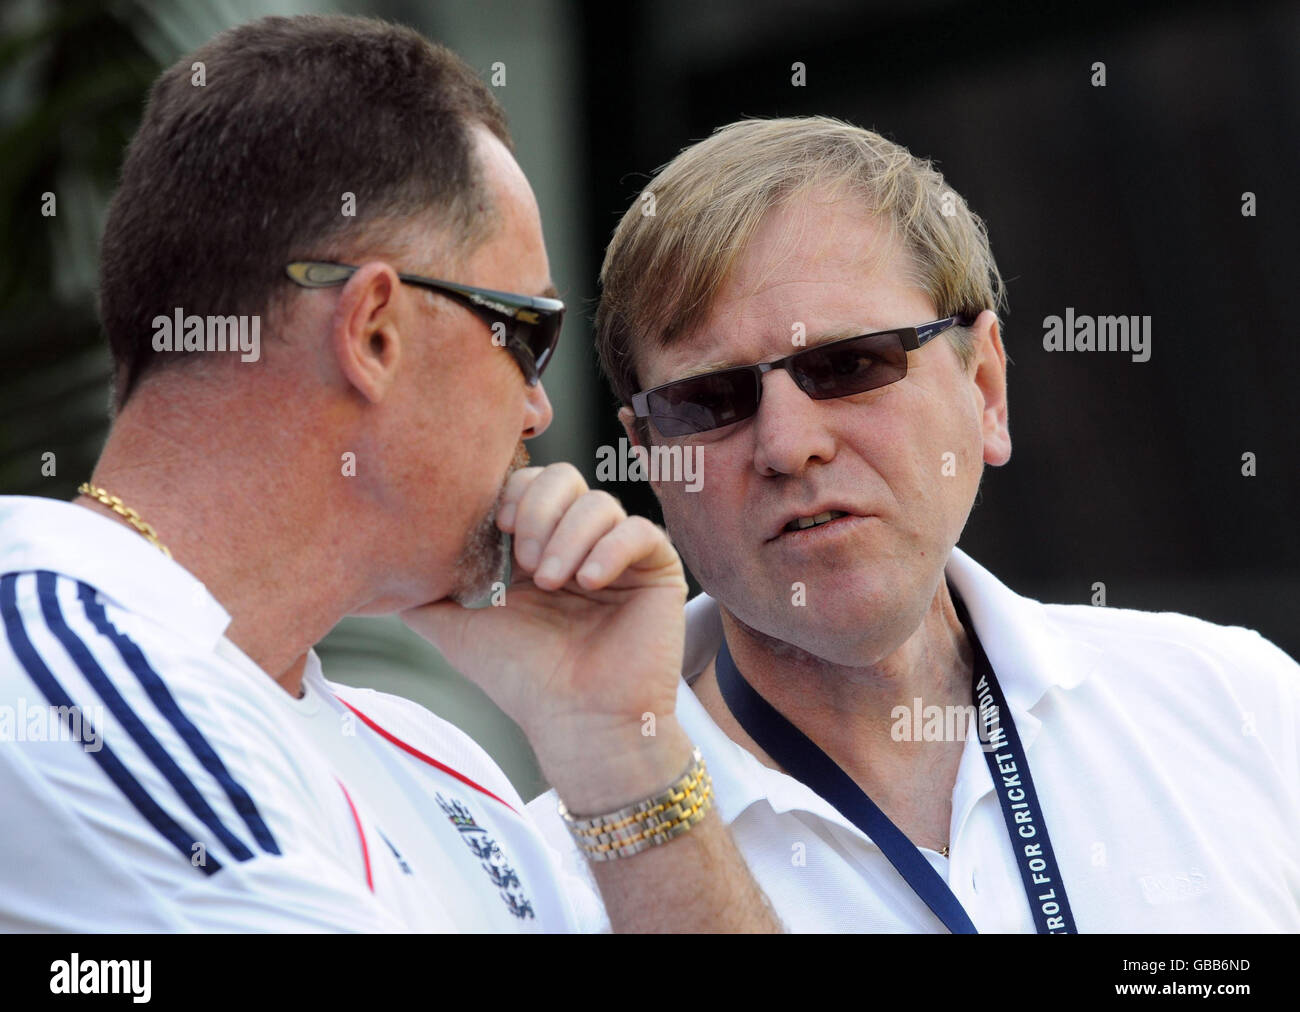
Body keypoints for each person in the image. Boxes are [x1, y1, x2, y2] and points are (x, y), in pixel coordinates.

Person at [0, 15, 778, 933]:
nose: (541, 411)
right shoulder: (52, 666)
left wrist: (620, 750)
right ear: (374, 330)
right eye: (526, 335)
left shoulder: (434, 765)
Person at [528, 115, 1300, 933]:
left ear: (987, 390)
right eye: (709, 401)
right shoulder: (547, 882)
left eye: (850, 363)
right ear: (651, 458)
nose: (789, 446)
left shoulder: (1237, 709)